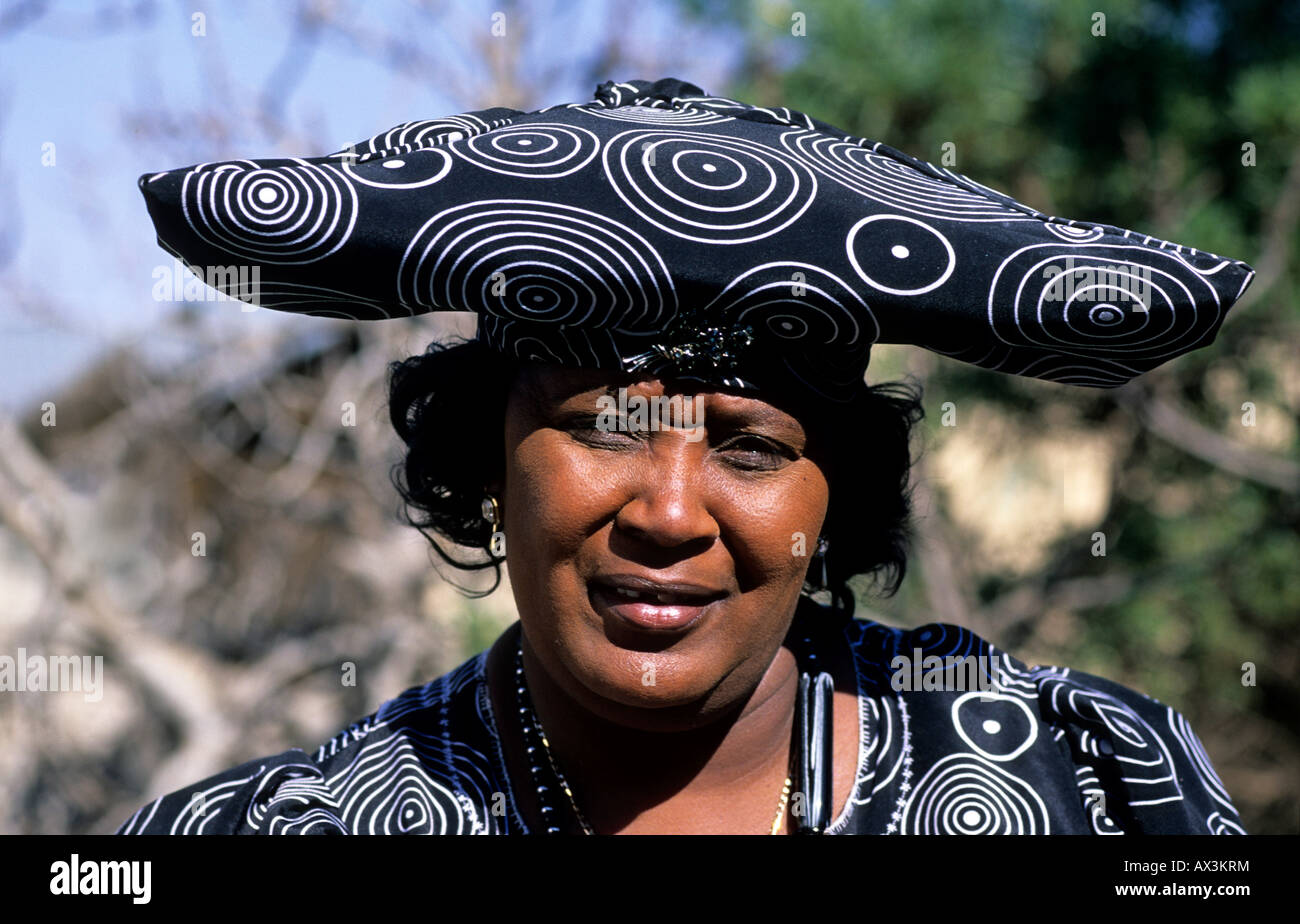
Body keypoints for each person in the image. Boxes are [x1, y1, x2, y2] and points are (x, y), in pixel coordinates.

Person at [117, 78, 1253, 834]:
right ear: (488, 459)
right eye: (605, 424)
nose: (668, 511)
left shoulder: (1086, 779)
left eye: (751, 448)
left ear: (836, 495)